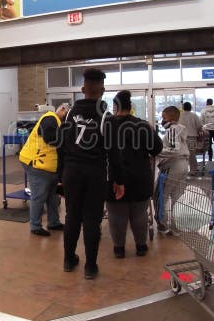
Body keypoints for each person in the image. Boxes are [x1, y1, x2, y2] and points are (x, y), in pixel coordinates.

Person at [58, 68, 124, 279]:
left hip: (71, 172)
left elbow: (60, 146)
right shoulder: (107, 117)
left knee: (72, 216)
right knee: (92, 220)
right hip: (95, 174)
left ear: (83, 89)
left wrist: (61, 176)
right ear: (102, 90)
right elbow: (114, 153)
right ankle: (90, 267)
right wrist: (118, 181)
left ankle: (69, 260)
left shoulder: (68, 113)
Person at [107, 90, 162, 258]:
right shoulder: (142, 125)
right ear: (131, 107)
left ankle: (119, 249)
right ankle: (141, 246)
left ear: (115, 107)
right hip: (140, 175)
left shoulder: (107, 126)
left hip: (114, 177)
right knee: (139, 212)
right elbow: (156, 148)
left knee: (116, 214)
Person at [19, 103, 70, 236]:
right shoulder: (50, 118)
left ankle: (53, 222)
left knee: (53, 196)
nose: (67, 117)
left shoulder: (58, 122)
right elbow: (49, 138)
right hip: (36, 163)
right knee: (39, 195)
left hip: (49, 166)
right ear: (62, 109)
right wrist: (66, 137)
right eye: (67, 113)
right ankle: (35, 226)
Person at [153, 106, 189, 234]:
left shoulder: (173, 130)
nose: (162, 120)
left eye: (164, 117)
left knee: (160, 195)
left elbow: (175, 149)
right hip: (184, 165)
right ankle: (176, 225)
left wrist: (157, 152)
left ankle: (162, 223)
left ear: (172, 118)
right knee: (177, 197)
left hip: (172, 166)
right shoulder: (180, 130)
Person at [178, 101, 203, 174]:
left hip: (181, 138)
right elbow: (199, 127)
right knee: (192, 154)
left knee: (182, 155)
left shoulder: (179, 115)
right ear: (190, 107)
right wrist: (200, 136)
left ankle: (183, 170)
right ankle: (193, 170)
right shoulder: (194, 115)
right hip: (192, 138)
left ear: (183, 108)